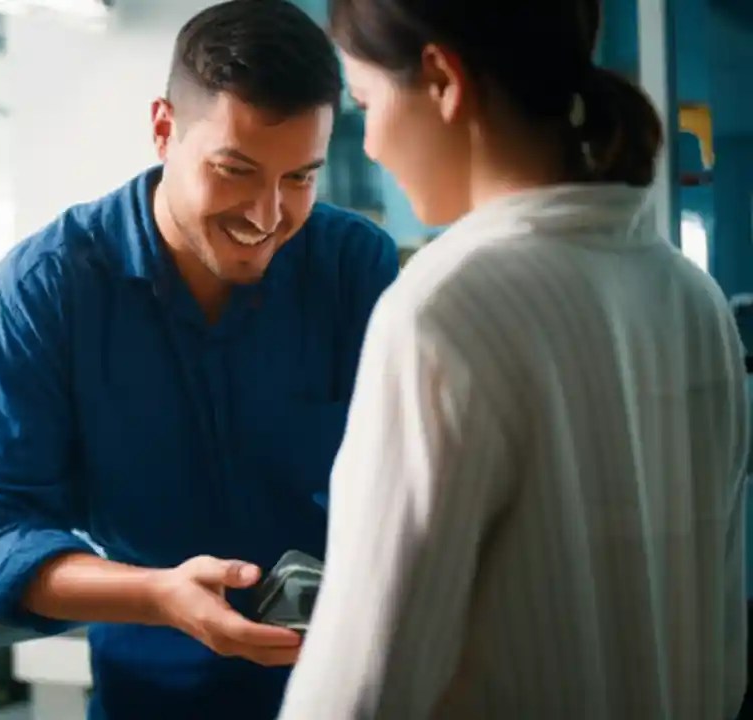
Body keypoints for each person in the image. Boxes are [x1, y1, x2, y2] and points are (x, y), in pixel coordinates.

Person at [278, 0, 751, 718]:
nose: (368, 143)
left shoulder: (443, 312)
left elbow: (359, 693)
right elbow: (720, 656)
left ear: (441, 80)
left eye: (367, 100)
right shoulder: (692, 298)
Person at [0, 1, 399, 718]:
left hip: (349, 692)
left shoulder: (352, 266)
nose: (267, 216)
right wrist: (157, 595)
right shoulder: (46, 289)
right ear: (164, 129)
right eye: (235, 170)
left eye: (301, 178)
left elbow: (405, 483)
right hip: (149, 697)